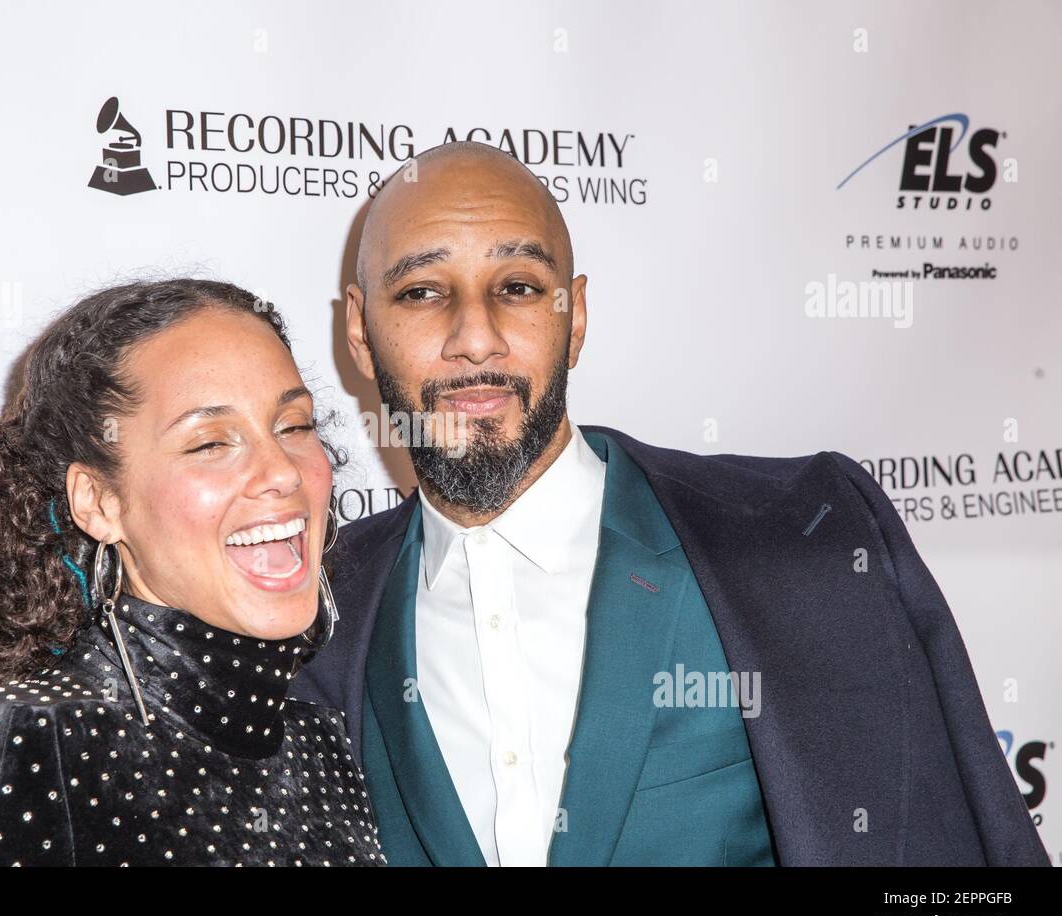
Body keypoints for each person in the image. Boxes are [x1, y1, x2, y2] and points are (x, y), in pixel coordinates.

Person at [290, 141, 1049, 866]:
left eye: (517, 287)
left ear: (574, 314)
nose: (477, 338)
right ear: (359, 331)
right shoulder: (314, 609)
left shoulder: (808, 539)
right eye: (422, 292)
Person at [0, 278, 385, 867]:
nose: (281, 472)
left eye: (294, 426)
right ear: (98, 502)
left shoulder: (321, 744)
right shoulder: (10, 743)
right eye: (210, 443)